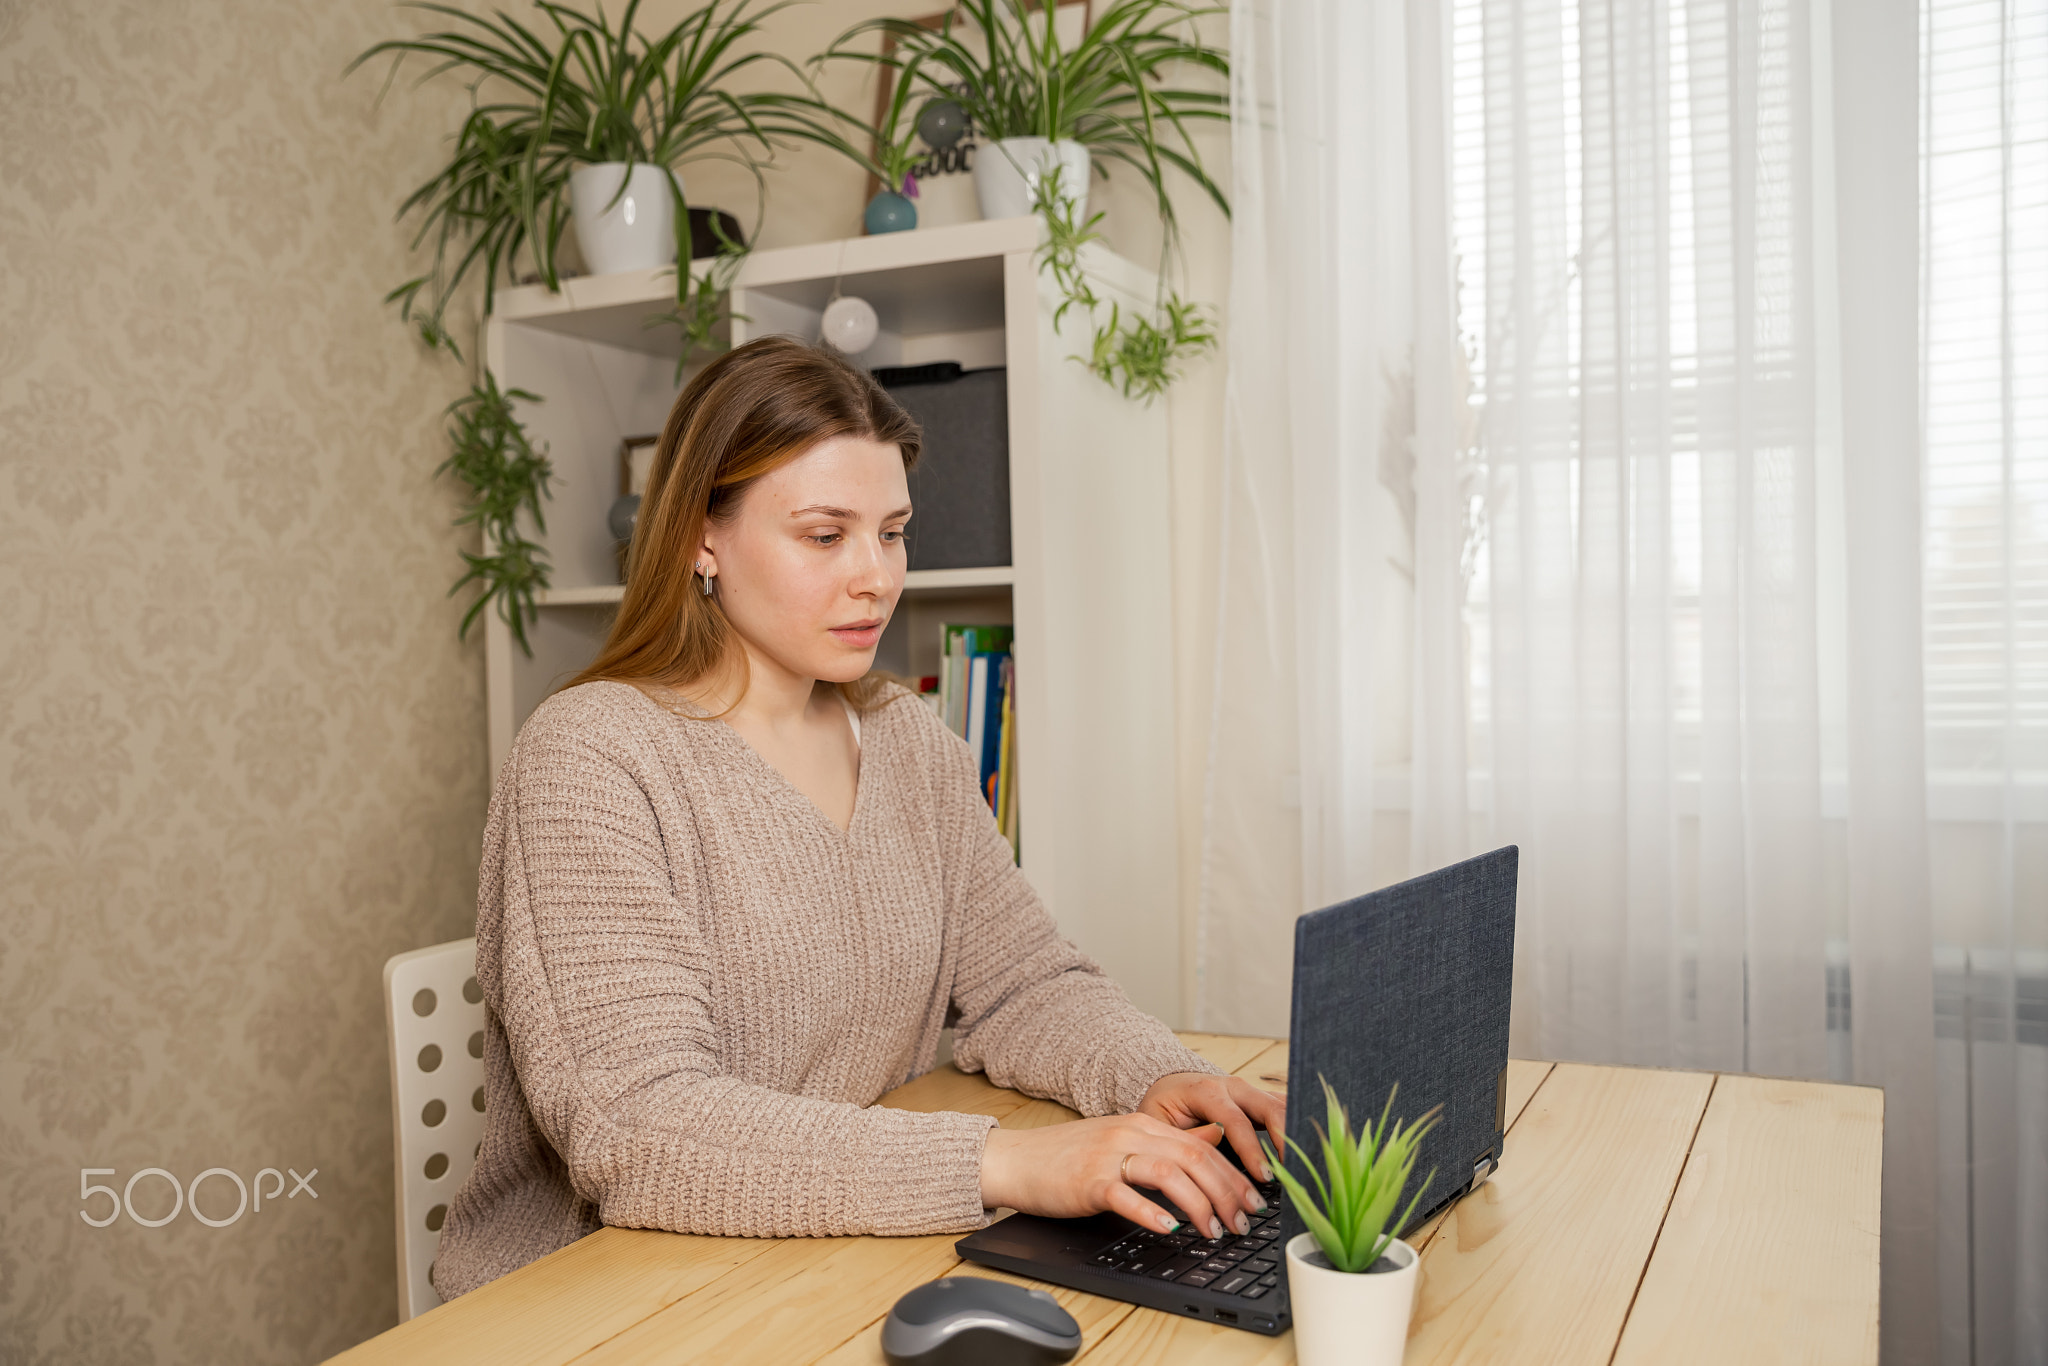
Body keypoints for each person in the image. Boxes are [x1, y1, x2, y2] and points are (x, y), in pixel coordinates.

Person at [432, 336, 1284, 1300]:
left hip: (825, 1256)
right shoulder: (591, 757)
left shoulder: (907, 739)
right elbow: (638, 1127)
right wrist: (1006, 1164)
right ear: (700, 538)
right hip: (601, 1299)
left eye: (893, 531)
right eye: (825, 535)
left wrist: (1155, 1078)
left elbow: (1021, 983)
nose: (877, 577)